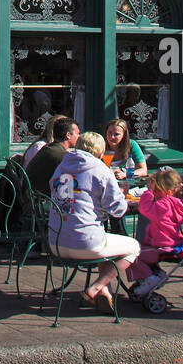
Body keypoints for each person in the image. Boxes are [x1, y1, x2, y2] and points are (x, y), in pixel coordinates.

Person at [48, 131, 141, 312]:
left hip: (56, 241)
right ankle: (96, 287)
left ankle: (105, 293)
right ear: (100, 152)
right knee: (134, 247)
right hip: (85, 243)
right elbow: (117, 210)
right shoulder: (100, 169)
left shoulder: (62, 166)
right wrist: (123, 198)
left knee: (103, 242)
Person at [126, 168, 183, 299]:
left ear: (168, 191)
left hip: (161, 246)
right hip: (170, 243)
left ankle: (150, 278)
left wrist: (148, 192)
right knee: (135, 251)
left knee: (130, 255)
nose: (154, 193)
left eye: (156, 190)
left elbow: (145, 209)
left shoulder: (164, 204)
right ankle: (155, 273)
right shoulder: (178, 203)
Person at [25, 116, 80, 192]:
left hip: (32, 195)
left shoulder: (49, 148)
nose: (79, 137)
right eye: (77, 134)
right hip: (41, 199)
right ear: (68, 135)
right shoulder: (59, 155)